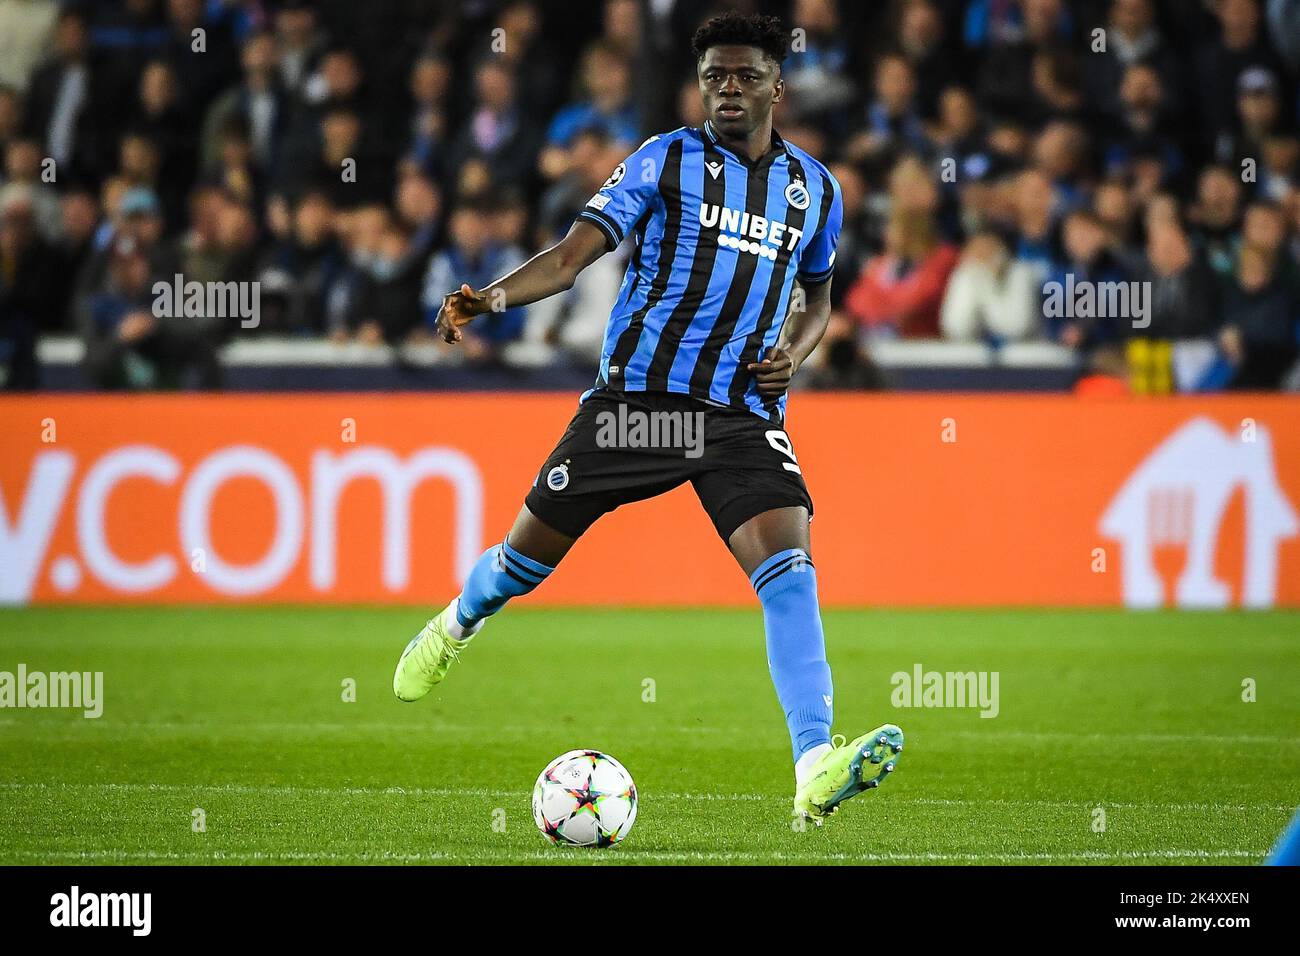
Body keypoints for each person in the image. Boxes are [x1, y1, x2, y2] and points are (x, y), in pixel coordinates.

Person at [391, 12, 903, 826]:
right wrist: (489, 296)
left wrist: (797, 352)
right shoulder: (665, 161)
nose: (727, 89)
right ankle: (457, 623)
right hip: (638, 408)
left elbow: (820, 297)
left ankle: (813, 763)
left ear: (778, 83)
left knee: (791, 569)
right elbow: (570, 257)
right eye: (713, 78)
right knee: (527, 557)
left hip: (738, 412)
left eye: (743, 75)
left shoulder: (816, 190)